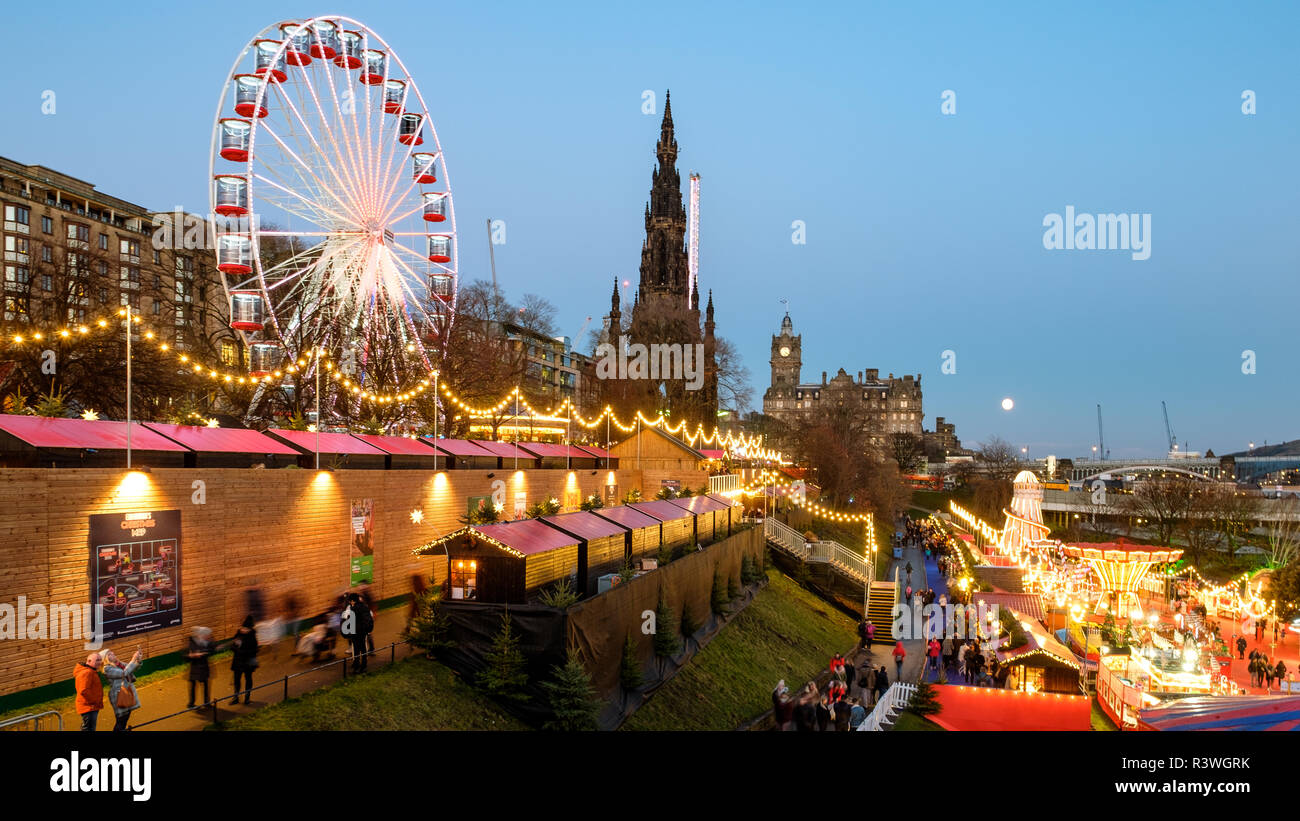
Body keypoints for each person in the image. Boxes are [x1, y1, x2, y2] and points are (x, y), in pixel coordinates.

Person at [103, 648, 142, 732]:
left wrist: (138, 660)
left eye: (112, 652)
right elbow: (124, 673)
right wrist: (133, 659)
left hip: (126, 693)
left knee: (124, 719)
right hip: (119, 695)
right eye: (109, 654)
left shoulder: (119, 664)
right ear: (106, 659)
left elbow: (132, 668)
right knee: (121, 721)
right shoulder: (107, 669)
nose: (113, 653)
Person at [230, 615, 259, 705]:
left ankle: (247, 698)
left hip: (247, 662)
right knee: (236, 680)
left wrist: (242, 651)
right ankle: (236, 697)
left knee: (248, 679)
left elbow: (255, 650)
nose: (243, 630)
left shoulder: (252, 636)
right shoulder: (238, 634)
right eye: (243, 628)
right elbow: (232, 646)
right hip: (238, 661)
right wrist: (235, 647)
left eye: (246, 628)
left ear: (250, 629)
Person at [185, 627, 215, 709]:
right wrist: (191, 656)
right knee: (193, 686)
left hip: (203, 667)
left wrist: (203, 654)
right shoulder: (191, 642)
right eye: (205, 635)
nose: (207, 636)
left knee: (205, 685)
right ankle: (191, 703)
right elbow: (184, 654)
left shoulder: (207, 642)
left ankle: (206, 703)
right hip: (195, 668)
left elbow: (211, 651)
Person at [343, 592, 374, 672]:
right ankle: (364, 664)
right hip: (363, 631)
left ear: (353, 601)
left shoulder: (353, 609)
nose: (350, 602)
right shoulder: (365, 606)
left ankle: (356, 665)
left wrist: (348, 631)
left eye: (350, 601)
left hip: (355, 632)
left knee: (356, 649)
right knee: (363, 648)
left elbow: (350, 621)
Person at [74, 653, 104, 732]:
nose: (99, 662)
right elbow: (84, 690)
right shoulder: (87, 673)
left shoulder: (91, 671)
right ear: (89, 661)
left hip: (91, 706)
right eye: (97, 660)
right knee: (88, 728)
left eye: (100, 660)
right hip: (88, 706)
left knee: (89, 727)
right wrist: (94, 701)